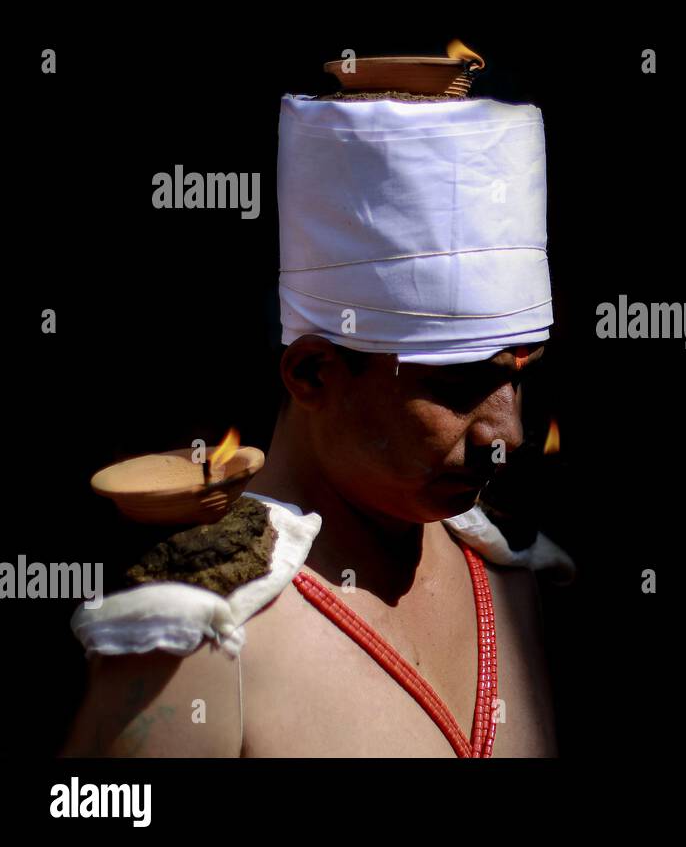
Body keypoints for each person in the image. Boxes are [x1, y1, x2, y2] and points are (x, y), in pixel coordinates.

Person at [61, 58, 565, 757]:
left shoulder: (522, 579)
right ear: (312, 373)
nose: (505, 433)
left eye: (518, 378)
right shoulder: (202, 631)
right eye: (456, 386)